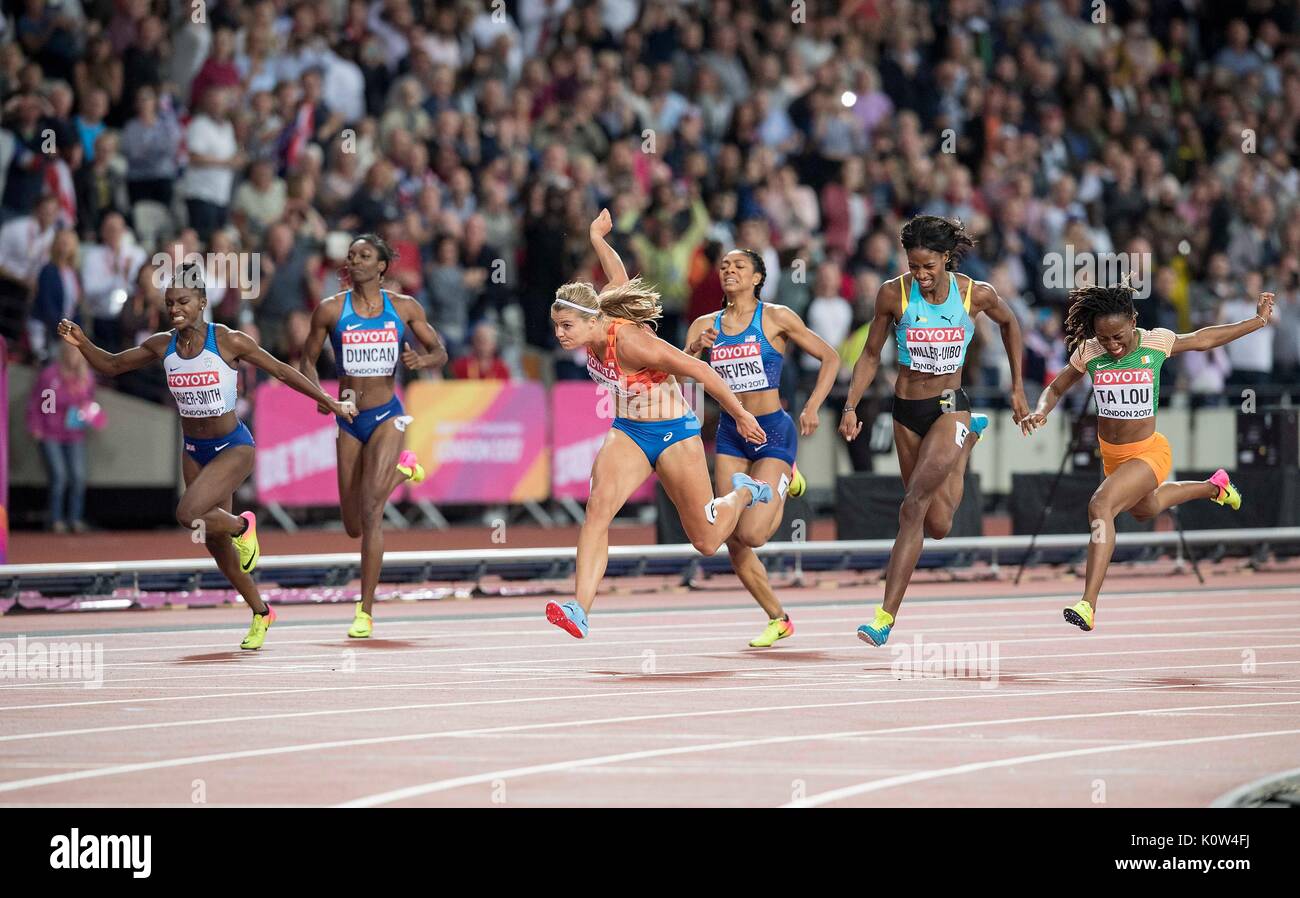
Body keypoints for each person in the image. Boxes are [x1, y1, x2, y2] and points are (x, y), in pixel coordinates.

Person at [57, 262, 356, 649]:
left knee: (187, 514)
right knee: (215, 545)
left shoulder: (228, 340)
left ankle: (242, 527)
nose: (175, 309)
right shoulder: (162, 344)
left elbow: (282, 371)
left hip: (233, 447)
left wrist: (328, 400)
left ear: (201, 303)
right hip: (194, 451)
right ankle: (262, 612)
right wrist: (83, 343)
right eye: (169, 303)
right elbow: (113, 365)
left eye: (183, 301)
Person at [544, 211, 773, 639]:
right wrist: (595, 236)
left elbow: (700, 372)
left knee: (706, 542)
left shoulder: (632, 341)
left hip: (673, 433)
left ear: (592, 321)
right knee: (596, 512)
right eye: (556, 326)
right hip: (629, 431)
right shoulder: (595, 313)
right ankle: (580, 608)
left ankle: (744, 491)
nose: (560, 334)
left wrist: (740, 415)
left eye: (566, 326)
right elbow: (615, 275)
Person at [1021, 285, 1273, 631]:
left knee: (1100, 506)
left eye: (1119, 336)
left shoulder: (1156, 342)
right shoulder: (1089, 351)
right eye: (1104, 337)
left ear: (1133, 322)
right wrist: (1042, 410)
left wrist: (1257, 321)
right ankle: (1215, 487)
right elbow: (1057, 387)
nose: (1112, 345)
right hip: (1113, 458)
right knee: (1147, 509)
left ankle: (1088, 604)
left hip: (1150, 451)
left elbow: (1203, 339)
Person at [840, 215, 1028, 646]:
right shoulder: (894, 293)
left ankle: (883, 618)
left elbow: (1010, 323)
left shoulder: (973, 294)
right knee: (939, 525)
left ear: (946, 258)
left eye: (929, 266)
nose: (921, 275)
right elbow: (871, 354)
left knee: (913, 507)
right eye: (914, 265)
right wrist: (851, 404)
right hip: (907, 410)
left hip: (949, 407)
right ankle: (969, 441)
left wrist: (1016, 387)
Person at [683, 247, 840, 647]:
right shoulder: (705, 324)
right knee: (727, 534)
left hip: (772, 431)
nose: (728, 271)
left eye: (739, 266)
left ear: (756, 278)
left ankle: (786, 478)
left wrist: (813, 406)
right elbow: (678, 378)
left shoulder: (776, 317)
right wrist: (693, 351)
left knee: (753, 535)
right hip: (732, 434)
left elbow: (830, 357)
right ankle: (779, 617)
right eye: (723, 266)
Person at [300, 234, 448, 638]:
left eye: (365, 255)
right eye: (352, 256)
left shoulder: (403, 307)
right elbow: (305, 362)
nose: (356, 261)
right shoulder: (331, 310)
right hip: (348, 417)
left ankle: (364, 610)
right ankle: (406, 472)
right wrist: (322, 397)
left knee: (371, 511)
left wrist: (423, 359)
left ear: (382, 265)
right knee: (351, 524)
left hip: (387, 415)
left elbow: (440, 351)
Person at [26, 341, 99, 532]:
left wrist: (94, 417)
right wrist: (36, 426)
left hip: (75, 434)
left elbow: (88, 403)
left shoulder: (86, 378)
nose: (75, 357)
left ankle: (74, 519)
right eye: (72, 353)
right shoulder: (51, 376)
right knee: (59, 476)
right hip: (51, 434)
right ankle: (56, 519)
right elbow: (40, 404)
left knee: (78, 477)